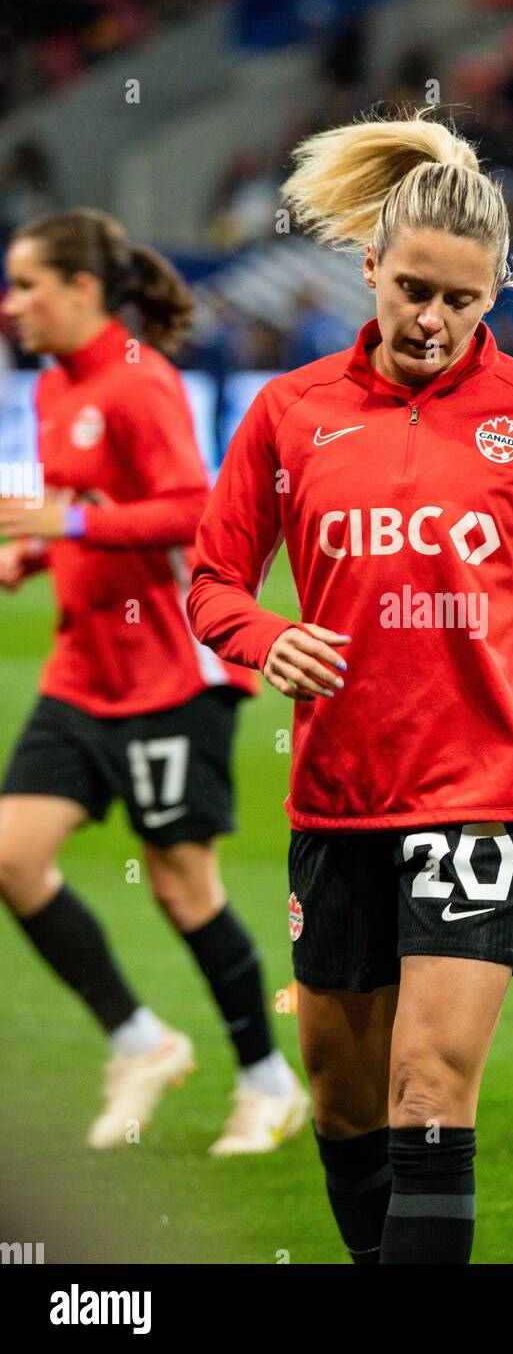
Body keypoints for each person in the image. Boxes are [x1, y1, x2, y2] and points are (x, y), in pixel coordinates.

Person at [187, 108, 513, 1263]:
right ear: (369, 266)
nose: (431, 320)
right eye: (412, 288)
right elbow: (211, 585)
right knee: (345, 1101)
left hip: (483, 796)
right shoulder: (288, 415)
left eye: (460, 299)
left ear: (496, 294)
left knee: (431, 1090)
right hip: (335, 800)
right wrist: (263, 636)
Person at [0, 208, 308, 1155]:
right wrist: (33, 558)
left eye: (27, 286)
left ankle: (266, 1081)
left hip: (176, 671)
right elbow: (92, 514)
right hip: (84, 667)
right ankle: (141, 1040)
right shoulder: (57, 388)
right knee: (12, 858)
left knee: (183, 889)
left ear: (83, 289)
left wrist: (67, 531)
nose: (11, 306)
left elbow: (190, 509)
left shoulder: (140, 383)